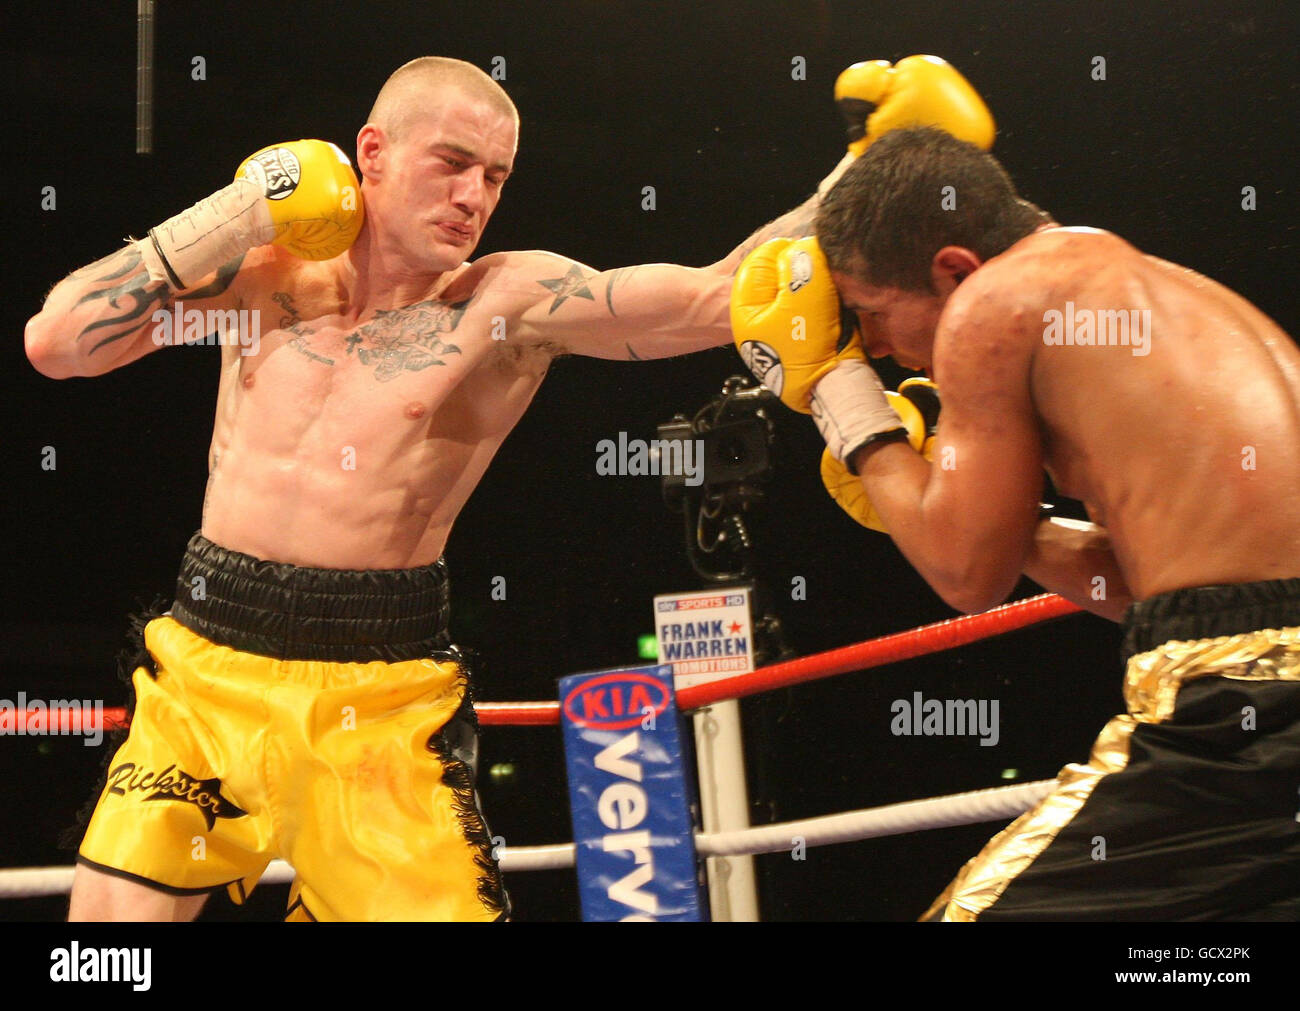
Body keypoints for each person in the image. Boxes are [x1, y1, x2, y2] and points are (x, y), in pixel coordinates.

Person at [25, 56, 991, 921]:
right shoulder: (265, 272)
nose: (473, 197)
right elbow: (57, 344)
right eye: (452, 163)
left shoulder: (507, 304)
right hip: (204, 670)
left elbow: (723, 290)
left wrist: (881, 165)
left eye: (495, 178)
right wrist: (235, 211)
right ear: (372, 151)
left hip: (383, 700)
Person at [730, 125, 1300, 920]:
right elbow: (1158, 592)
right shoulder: (1155, 291)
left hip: (1241, 713)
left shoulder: (991, 305)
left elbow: (967, 575)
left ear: (953, 269)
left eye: (873, 314)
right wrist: (976, 507)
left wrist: (843, 399)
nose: (886, 350)